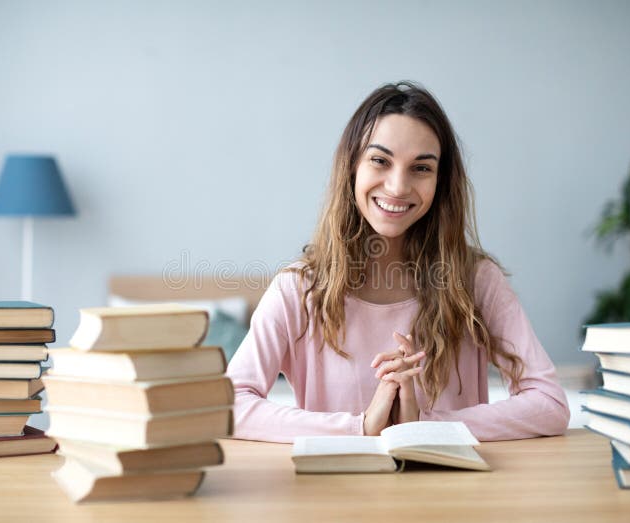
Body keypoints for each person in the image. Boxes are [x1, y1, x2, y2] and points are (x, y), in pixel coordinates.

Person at [226, 81, 570, 443]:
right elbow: (228, 405)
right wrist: (359, 428)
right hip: (329, 496)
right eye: (380, 161)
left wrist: (425, 427)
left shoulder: (477, 281)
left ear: (440, 181)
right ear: (352, 167)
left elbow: (549, 404)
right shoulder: (298, 289)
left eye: (421, 168)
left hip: (456, 497)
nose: (397, 186)